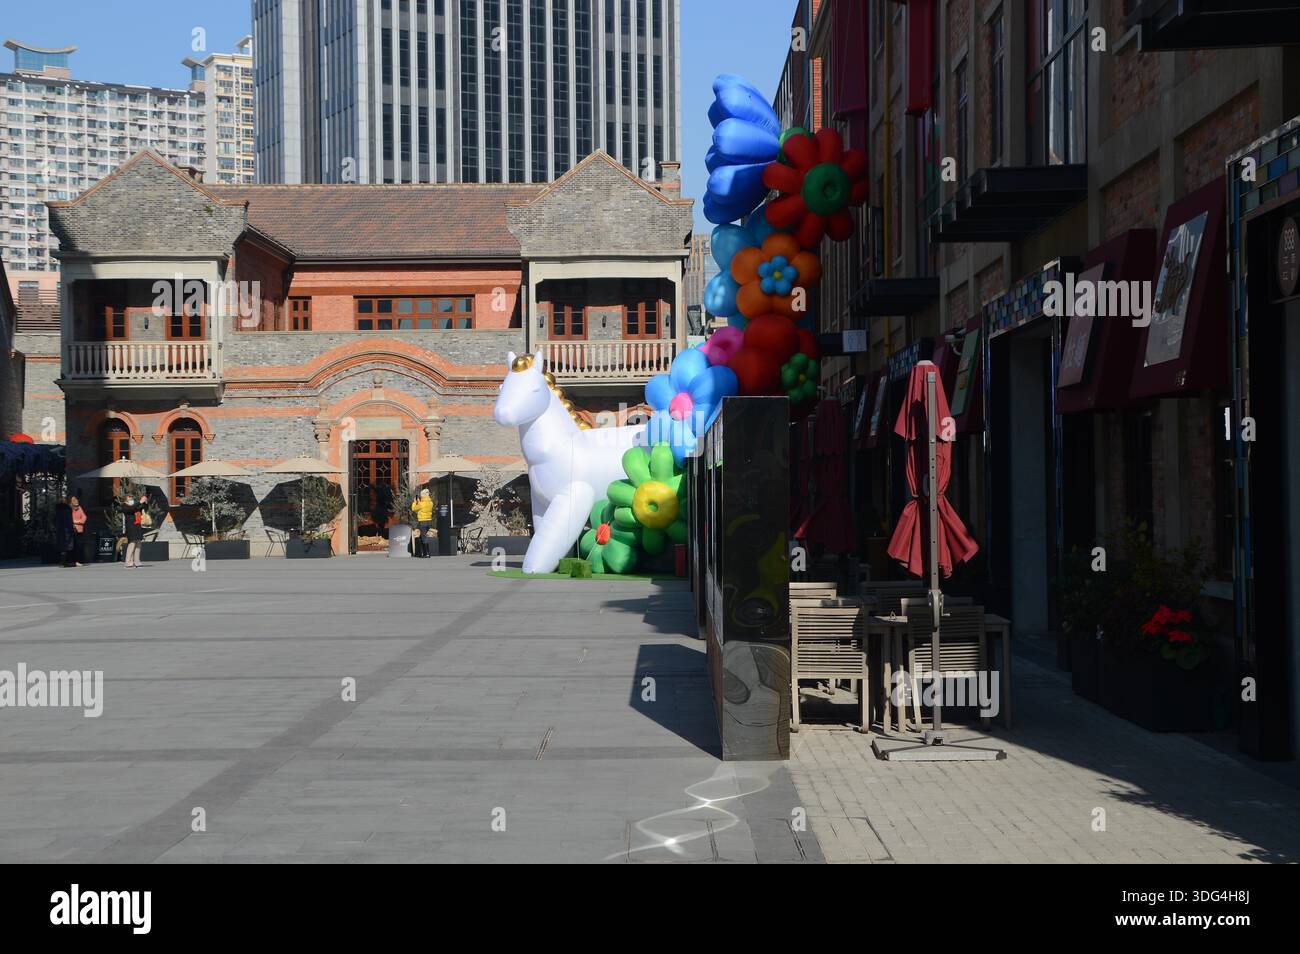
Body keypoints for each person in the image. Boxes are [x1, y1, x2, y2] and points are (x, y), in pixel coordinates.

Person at [120, 494, 146, 568]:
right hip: (131, 526)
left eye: (132, 496)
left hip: (137, 525)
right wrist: (140, 502)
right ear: (125, 499)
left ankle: (137, 561)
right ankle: (128, 562)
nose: (131, 498)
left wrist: (144, 502)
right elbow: (131, 509)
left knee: (138, 542)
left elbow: (141, 508)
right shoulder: (124, 506)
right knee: (132, 542)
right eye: (129, 497)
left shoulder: (135, 504)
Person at [410, 488, 435, 557]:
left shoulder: (421, 504)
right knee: (422, 536)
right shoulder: (431, 503)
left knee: (423, 537)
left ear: (422, 495)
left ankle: (427, 553)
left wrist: (415, 502)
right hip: (429, 521)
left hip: (422, 521)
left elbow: (414, 509)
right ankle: (424, 553)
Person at [55, 498, 76, 568]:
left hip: (60, 529)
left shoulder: (57, 510)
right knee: (68, 545)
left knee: (62, 546)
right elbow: (68, 520)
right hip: (67, 529)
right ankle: (67, 562)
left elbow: (55, 520)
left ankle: (62, 562)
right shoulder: (67, 509)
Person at [69, 495, 88, 566]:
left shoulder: (80, 508)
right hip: (72, 530)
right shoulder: (70, 509)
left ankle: (79, 560)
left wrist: (76, 521)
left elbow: (84, 517)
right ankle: (73, 561)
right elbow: (69, 519)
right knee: (73, 546)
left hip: (79, 530)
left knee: (79, 546)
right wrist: (77, 521)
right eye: (75, 505)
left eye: (77, 505)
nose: (77, 506)